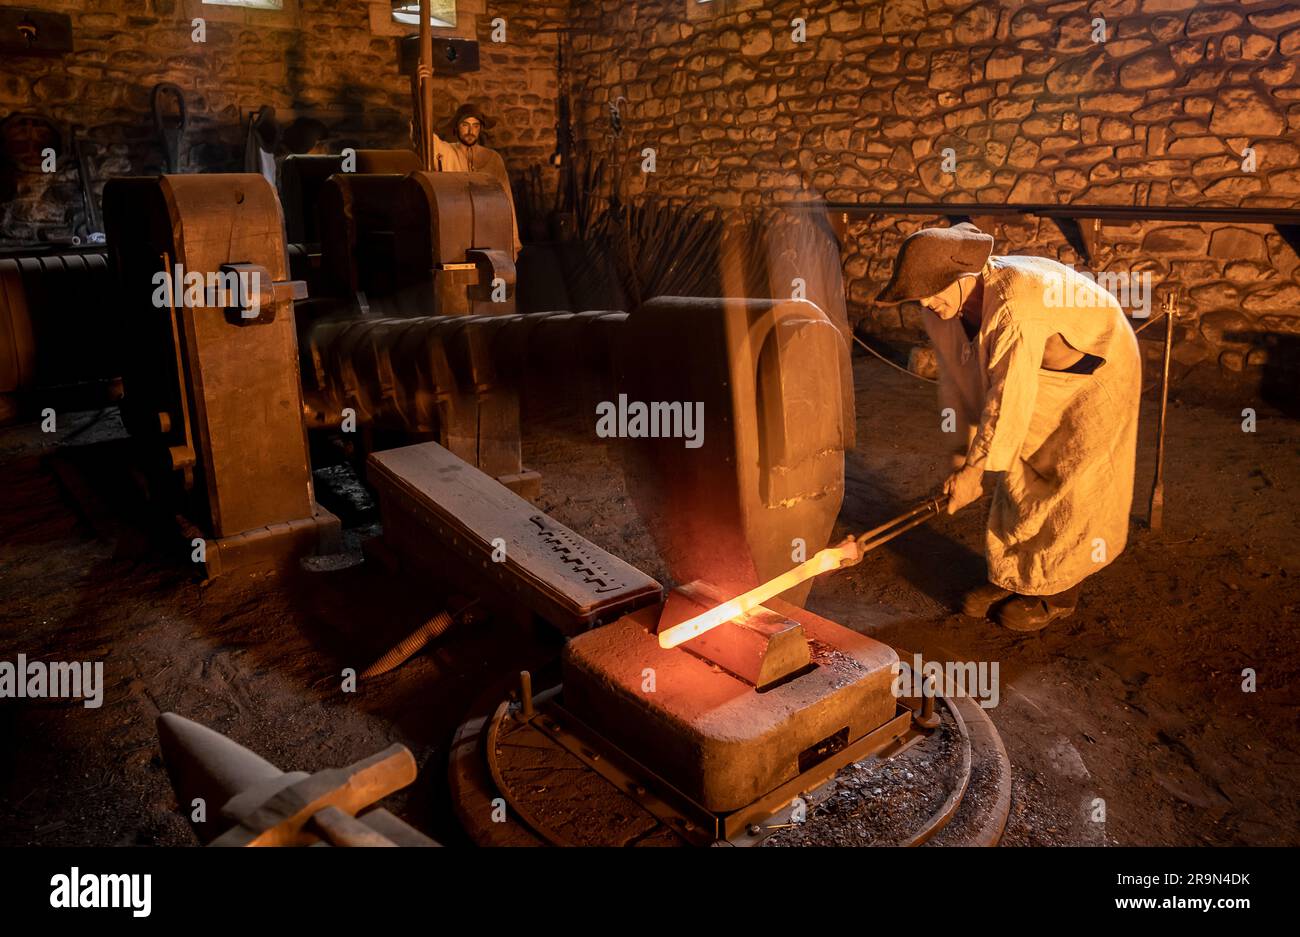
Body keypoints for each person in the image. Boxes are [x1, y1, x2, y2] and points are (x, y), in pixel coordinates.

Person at [876, 223, 1142, 631]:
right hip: (1044, 372)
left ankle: (1057, 590)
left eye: (932, 291)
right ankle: (1017, 577)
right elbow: (965, 381)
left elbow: (1006, 398)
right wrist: (963, 456)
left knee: (1073, 476)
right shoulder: (957, 304)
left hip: (1098, 374)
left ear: (964, 276)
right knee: (1020, 472)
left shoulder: (1014, 305)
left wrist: (974, 471)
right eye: (920, 295)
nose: (927, 303)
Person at [426, 100, 521, 258]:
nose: (471, 131)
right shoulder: (447, 151)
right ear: (456, 127)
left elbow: (507, 199)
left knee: (491, 278)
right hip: (458, 229)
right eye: (465, 125)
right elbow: (427, 140)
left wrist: (513, 239)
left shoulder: (493, 158)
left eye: (475, 126)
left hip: (488, 229)